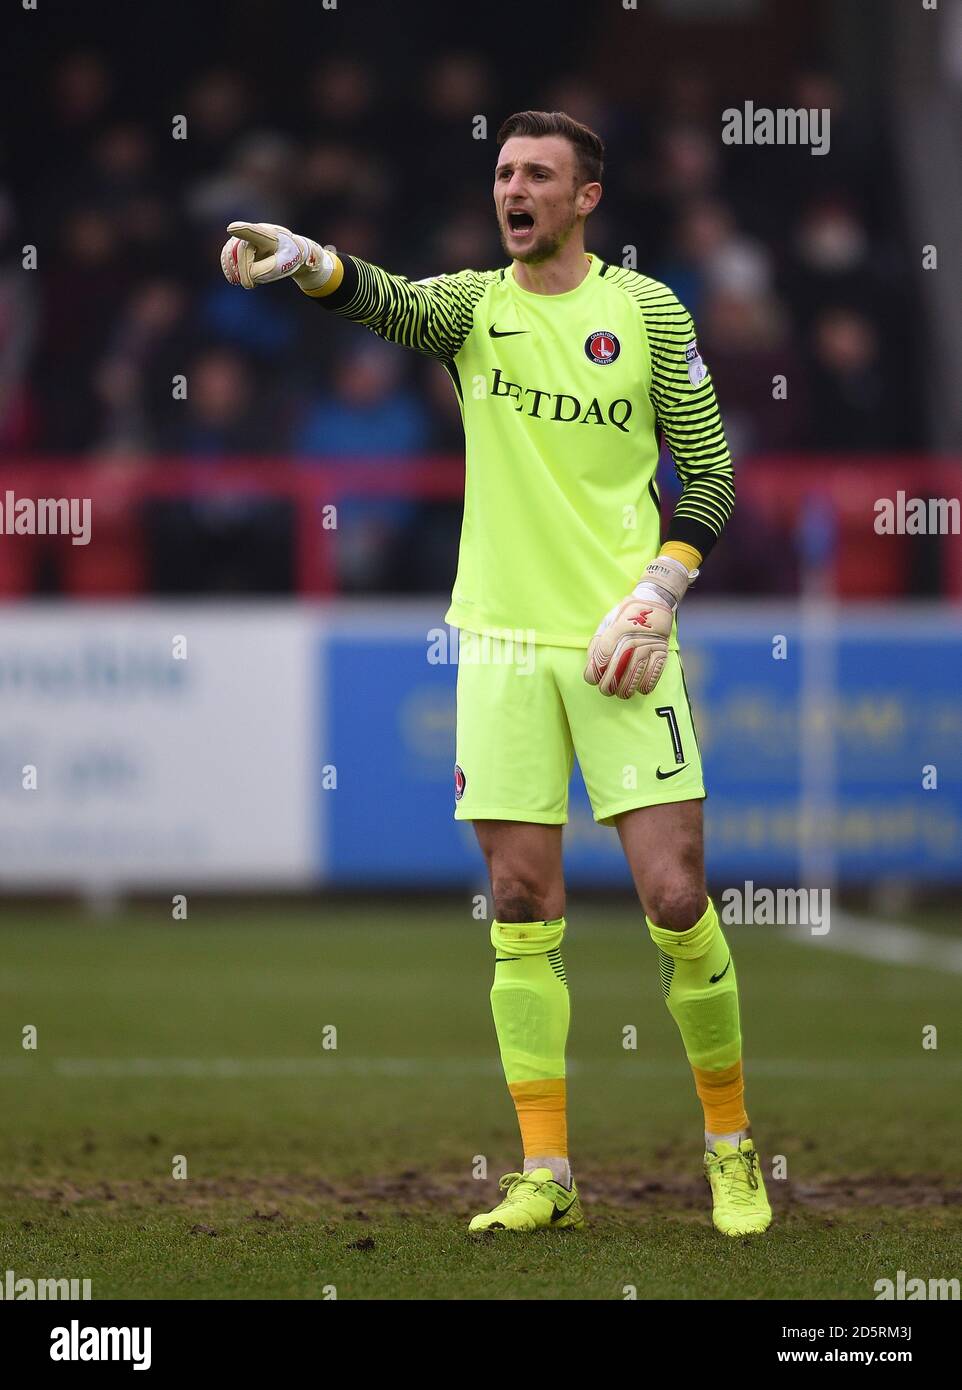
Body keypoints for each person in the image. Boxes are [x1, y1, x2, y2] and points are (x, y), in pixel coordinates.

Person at [220, 109, 771, 1239]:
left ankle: (730, 1150)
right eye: (502, 173)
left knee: (673, 897)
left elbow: (709, 472)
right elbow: (388, 301)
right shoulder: (475, 308)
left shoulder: (648, 312)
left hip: (625, 643)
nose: (513, 190)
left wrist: (659, 590)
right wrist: (311, 262)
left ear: (586, 199)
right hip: (501, 646)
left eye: (537, 176)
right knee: (521, 904)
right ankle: (545, 1175)